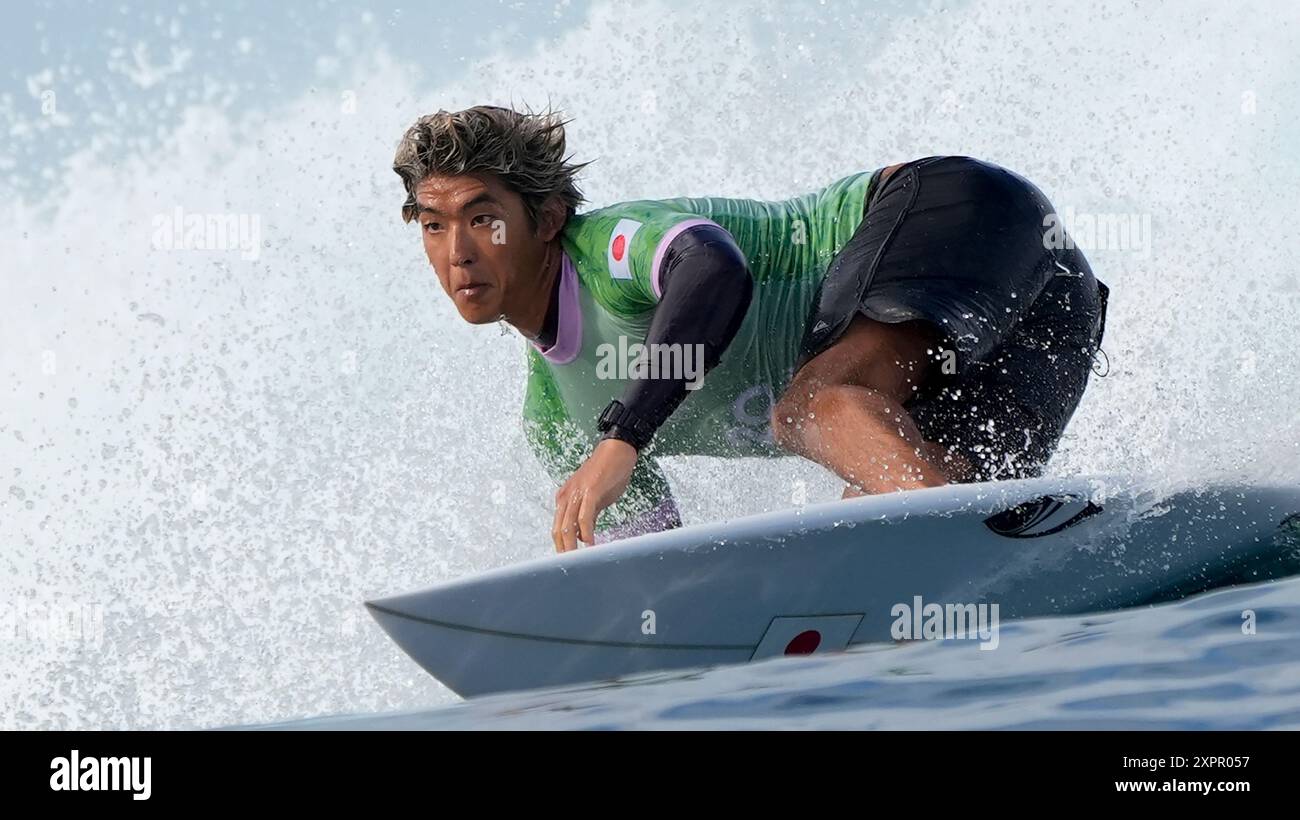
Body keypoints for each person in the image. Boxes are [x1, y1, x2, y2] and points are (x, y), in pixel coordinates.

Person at [392, 105, 1109, 553]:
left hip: (969, 213)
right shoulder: (553, 419)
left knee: (813, 408)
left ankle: (961, 541)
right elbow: (650, 569)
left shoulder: (612, 248)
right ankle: (1006, 548)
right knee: (877, 535)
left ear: (544, 220)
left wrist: (625, 435)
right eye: (432, 226)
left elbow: (712, 270)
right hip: (1042, 321)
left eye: (483, 218)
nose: (458, 252)